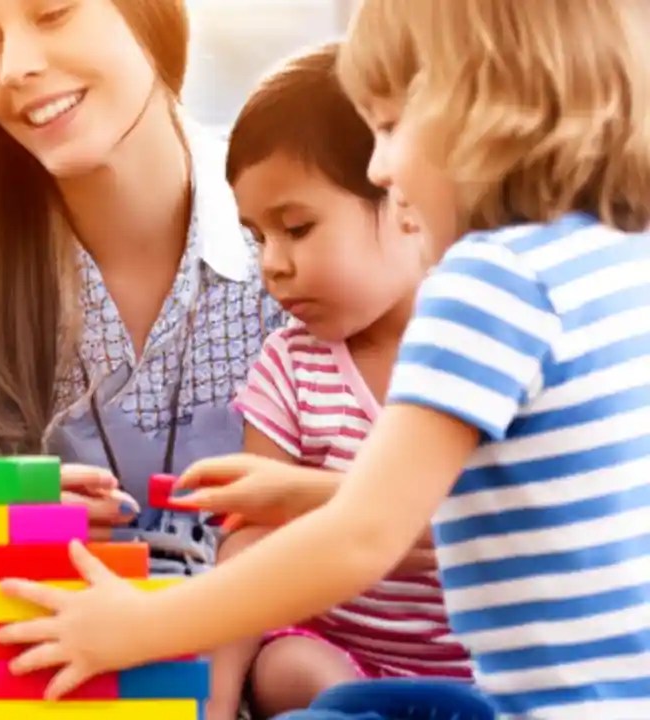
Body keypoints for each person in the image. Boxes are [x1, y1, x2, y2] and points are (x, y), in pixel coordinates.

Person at [0, 0, 650, 717]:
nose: (380, 165)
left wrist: (138, 627)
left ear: (487, 108)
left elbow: (365, 533)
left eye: (392, 126)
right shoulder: (618, 263)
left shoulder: (491, 282)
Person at [0, 0, 282, 581]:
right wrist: (12, 532)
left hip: (284, 656)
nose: (13, 68)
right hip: (56, 655)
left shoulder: (291, 233)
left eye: (52, 14)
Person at [205, 43, 470, 720]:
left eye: (296, 228)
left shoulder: (478, 342)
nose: (273, 264)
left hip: (484, 662)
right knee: (288, 666)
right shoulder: (289, 366)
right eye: (256, 236)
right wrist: (214, 701)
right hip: (336, 656)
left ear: (402, 196)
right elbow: (247, 541)